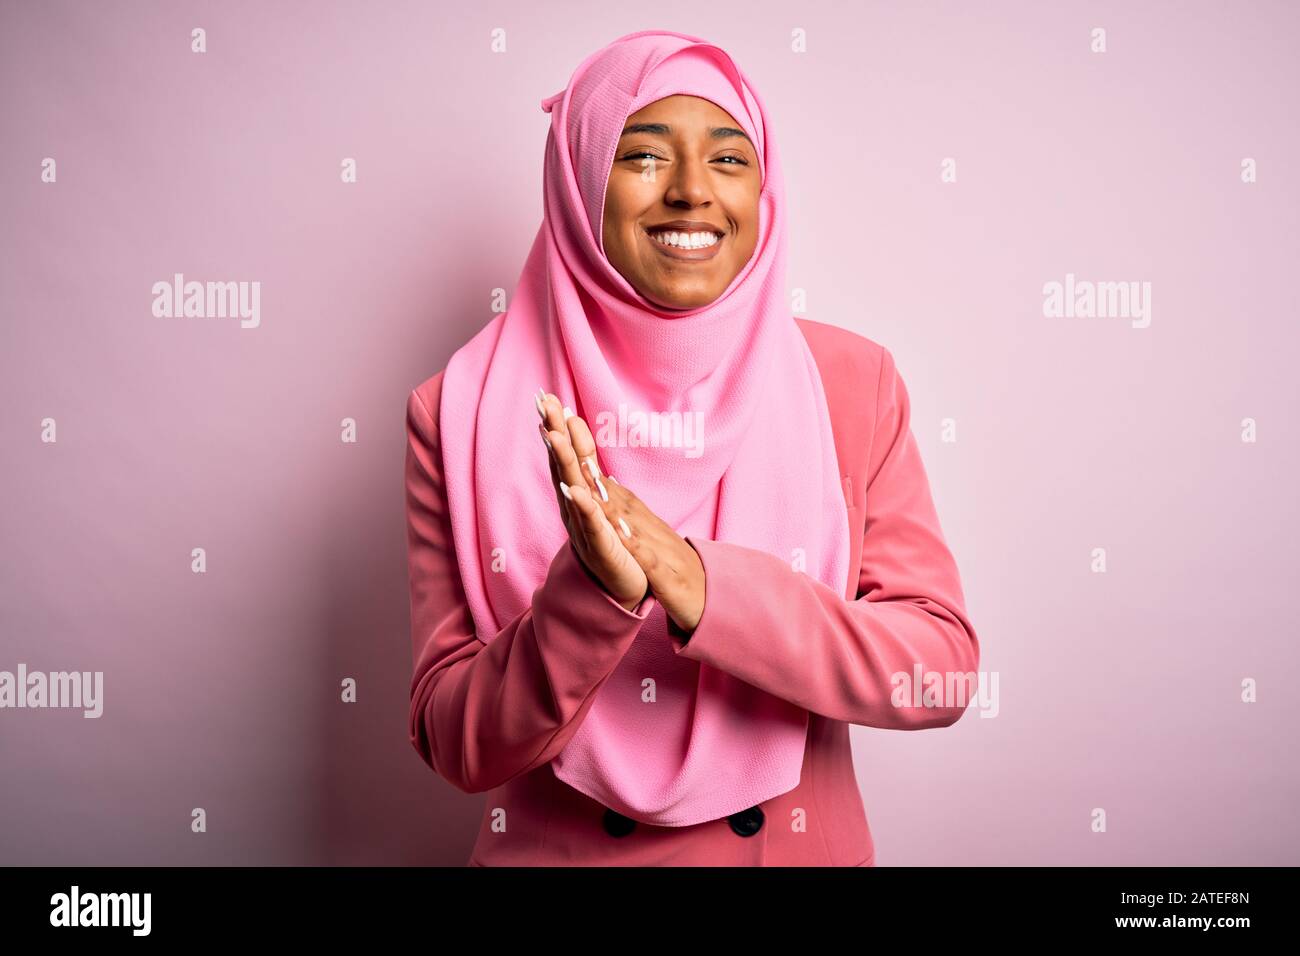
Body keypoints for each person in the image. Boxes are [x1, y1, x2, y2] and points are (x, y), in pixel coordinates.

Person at [404, 29, 980, 866]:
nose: (690, 193)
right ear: (580, 183)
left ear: (764, 188)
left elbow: (944, 674)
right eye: (642, 156)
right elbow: (456, 743)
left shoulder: (853, 384)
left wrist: (699, 584)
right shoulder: (457, 409)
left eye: (728, 159)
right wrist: (589, 600)